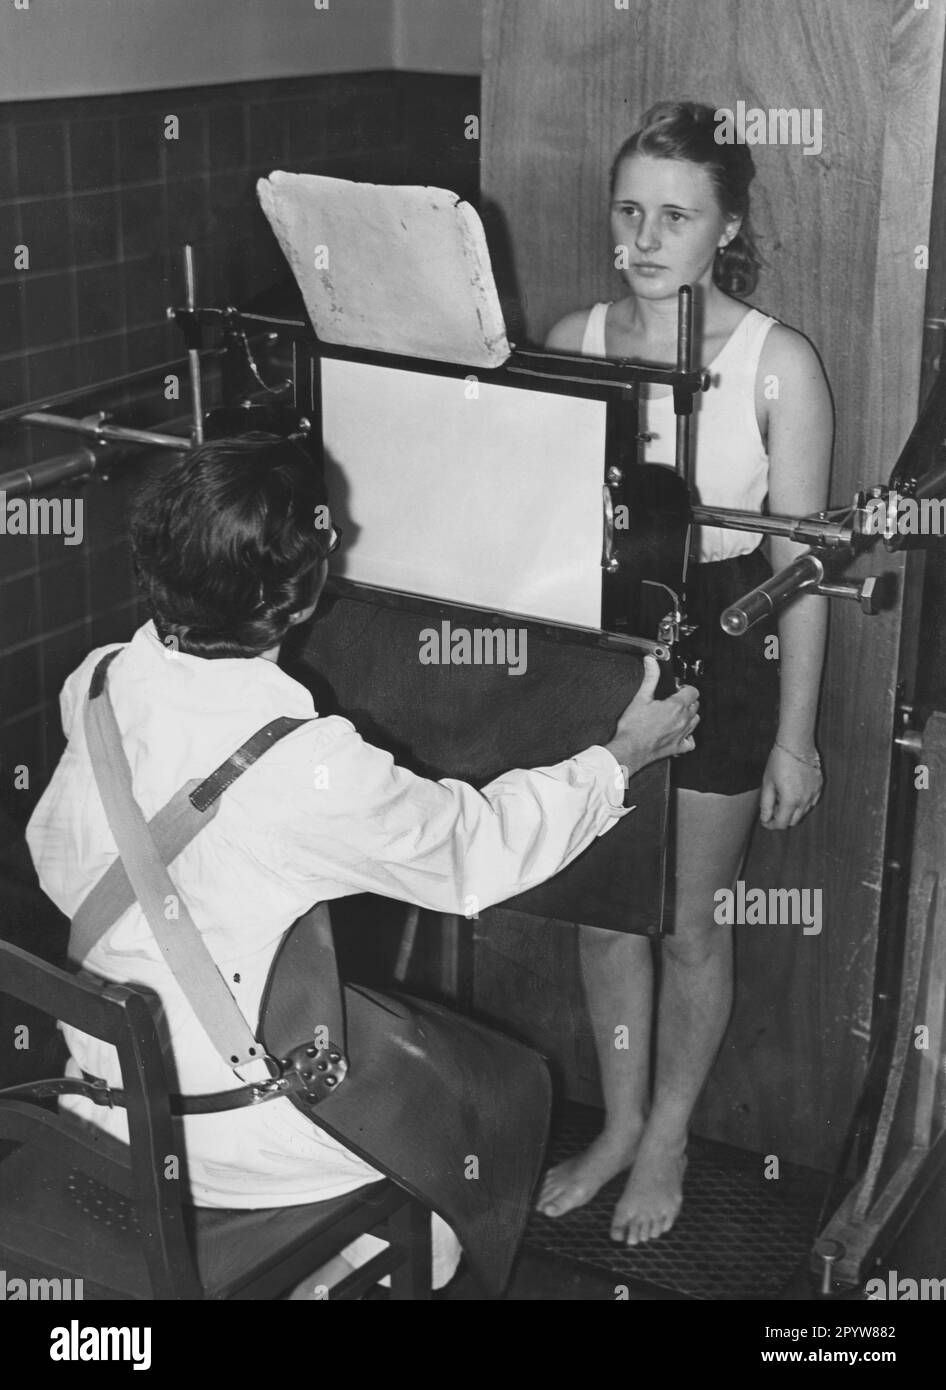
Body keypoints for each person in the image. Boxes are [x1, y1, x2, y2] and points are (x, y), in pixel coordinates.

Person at [26, 432, 699, 1293]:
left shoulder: (95, 679)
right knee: (479, 1137)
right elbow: (475, 852)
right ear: (303, 595)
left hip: (93, 1095)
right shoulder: (306, 766)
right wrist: (621, 758)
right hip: (223, 1139)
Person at [536, 101, 833, 1246]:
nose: (646, 237)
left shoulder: (776, 364)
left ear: (725, 228)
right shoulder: (573, 339)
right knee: (604, 912)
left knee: (689, 922)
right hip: (603, 633)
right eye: (629, 211)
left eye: (676, 215)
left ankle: (667, 1132)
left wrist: (792, 737)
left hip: (729, 627)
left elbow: (799, 562)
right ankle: (615, 1125)